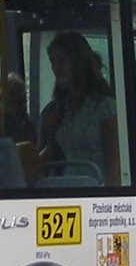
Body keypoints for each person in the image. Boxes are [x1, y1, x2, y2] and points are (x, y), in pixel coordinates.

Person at [37, 32, 120, 185]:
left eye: (61, 60)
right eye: (52, 62)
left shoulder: (104, 107)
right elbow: (50, 154)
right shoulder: (61, 108)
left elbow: (115, 164)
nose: (56, 68)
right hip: (68, 186)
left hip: (98, 186)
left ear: (78, 61)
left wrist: (109, 199)